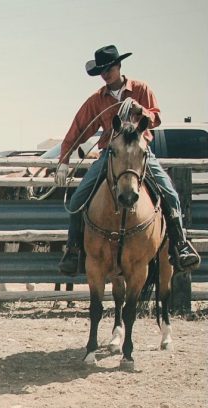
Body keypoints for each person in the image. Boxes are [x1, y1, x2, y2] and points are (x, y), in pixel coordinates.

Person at [55, 44, 200, 275]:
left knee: (170, 194)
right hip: (110, 155)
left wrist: (140, 109)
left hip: (139, 154)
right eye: (101, 70)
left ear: (119, 66)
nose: (105, 73)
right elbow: (78, 129)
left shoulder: (141, 89)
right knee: (77, 200)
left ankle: (180, 245)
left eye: (108, 68)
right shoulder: (96, 100)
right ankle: (73, 250)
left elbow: (156, 118)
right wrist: (63, 161)